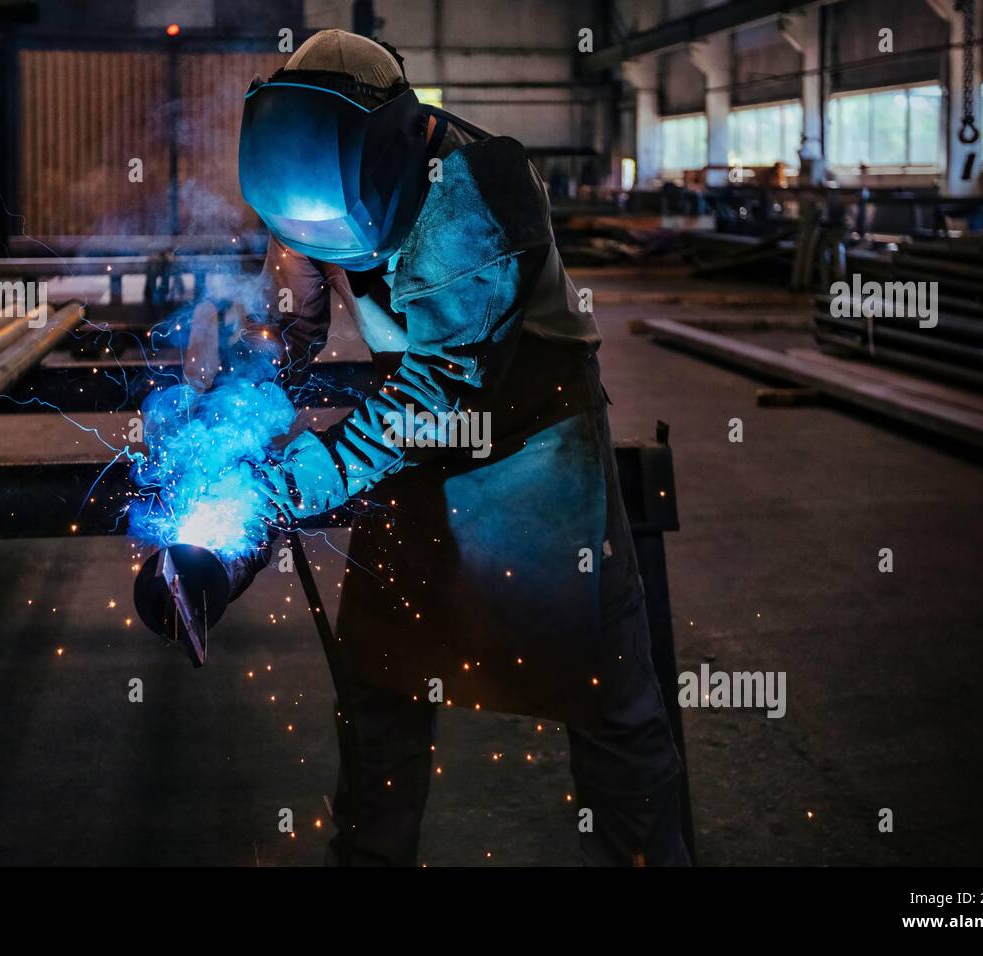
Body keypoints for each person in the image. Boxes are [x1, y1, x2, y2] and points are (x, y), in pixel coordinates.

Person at [201, 28, 688, 866]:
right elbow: (297, 308)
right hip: (416, 447)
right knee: (379, 686)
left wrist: (300, 478)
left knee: (608, 698)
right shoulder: (310, 177)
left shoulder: (479, 194)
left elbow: (436, 392)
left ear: (396, 146)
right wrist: (253, 370)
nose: (318, 244)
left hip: (533, 451)